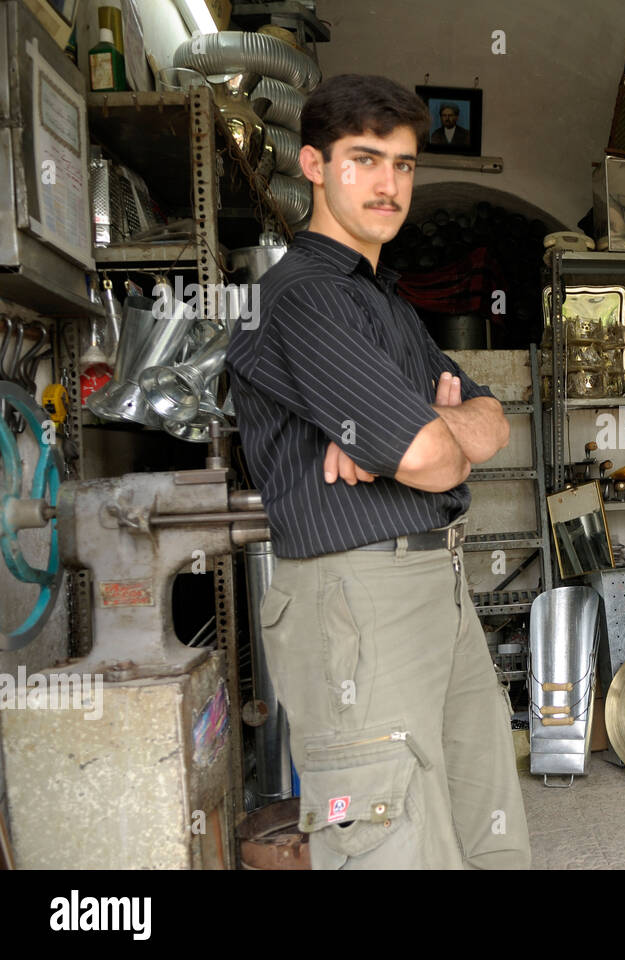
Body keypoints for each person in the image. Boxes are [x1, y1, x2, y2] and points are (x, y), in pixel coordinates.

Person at [226, 74, 529, 870]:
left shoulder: (385, 303)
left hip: (438, 585)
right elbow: (428, 460)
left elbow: (494, 422)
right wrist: (426, 437)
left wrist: (433, 432)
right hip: (356, 602)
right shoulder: (301, 300)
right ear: (316, 166)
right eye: (365, 160)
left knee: (483, 817)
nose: (389, 183)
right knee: (388, 837)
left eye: (403, 164)